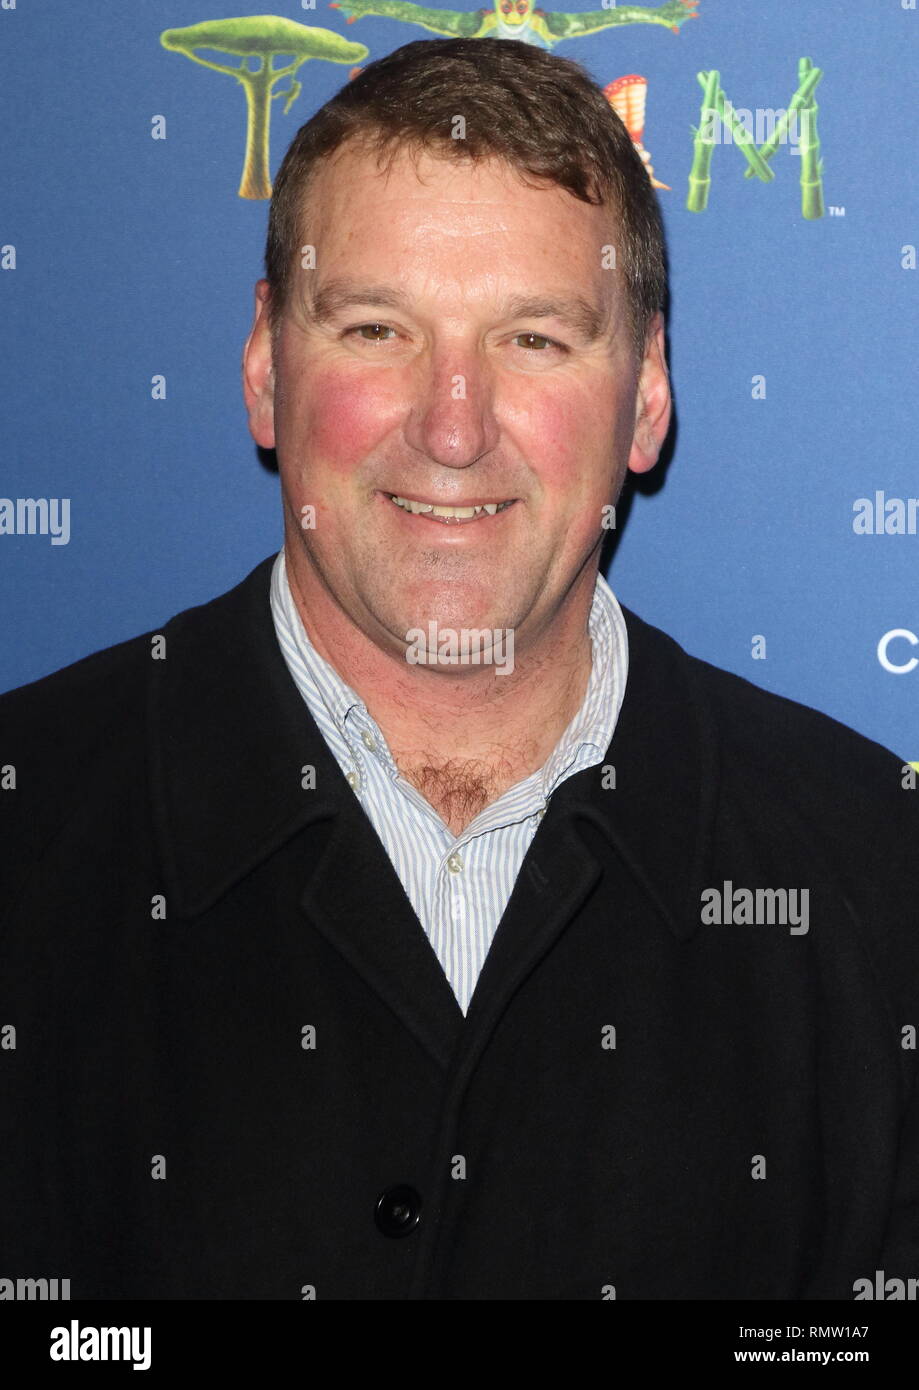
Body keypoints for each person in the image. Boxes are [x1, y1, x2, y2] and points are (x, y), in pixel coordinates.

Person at [1, 37, 917, 1302]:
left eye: (534, 340)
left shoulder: (875, 871)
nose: (450, 423)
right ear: (267, 368)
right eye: (377, 327)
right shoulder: (27, 825)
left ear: (645, 393)